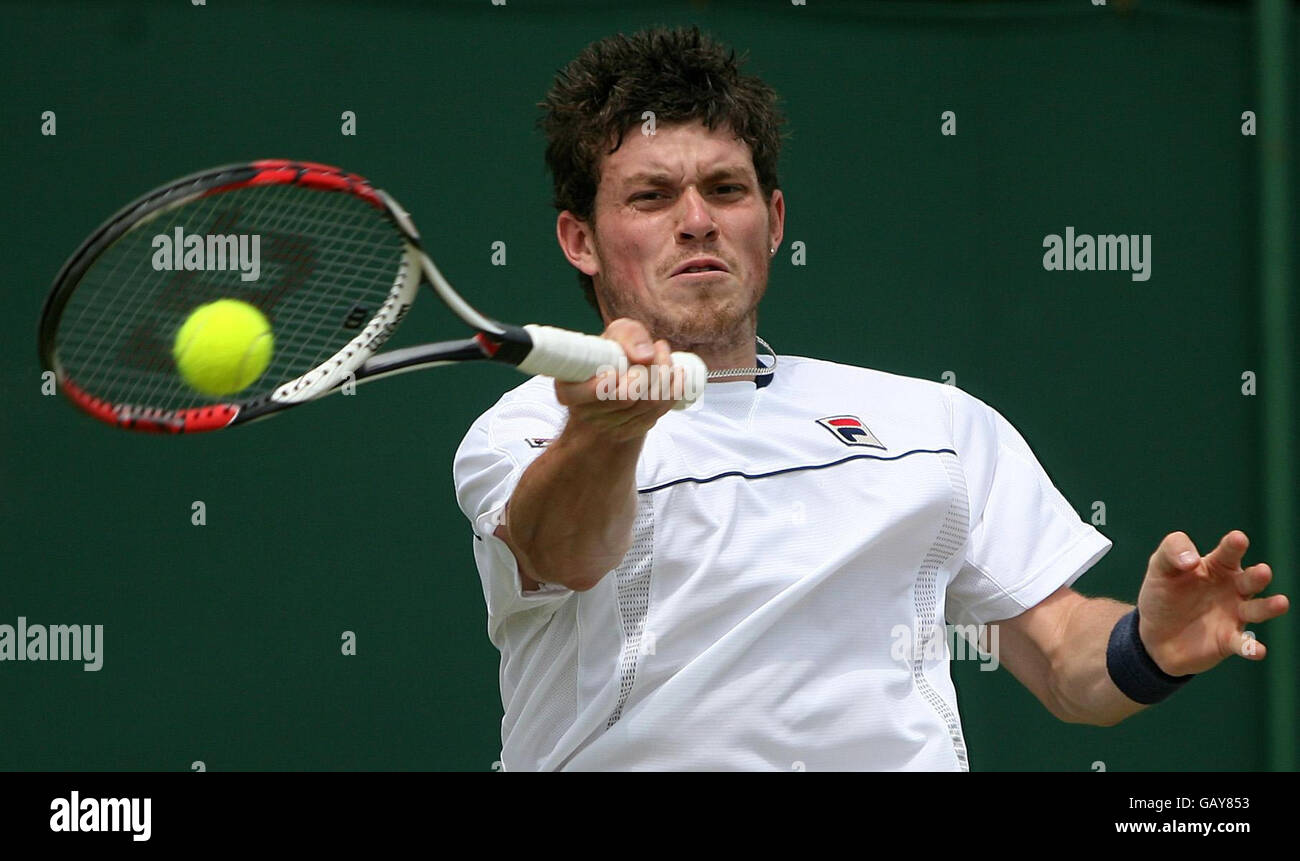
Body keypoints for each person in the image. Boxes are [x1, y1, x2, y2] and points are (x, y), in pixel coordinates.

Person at [453, 26, 1289, 771]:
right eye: (652, 195)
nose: (697, 219)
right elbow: (563, 552)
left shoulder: (936, 424)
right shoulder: (527, 430)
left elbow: (1065, 660)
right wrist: (604, 431)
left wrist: (1149, 645)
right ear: (580, 239)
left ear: (774, 220)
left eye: (727, 189)